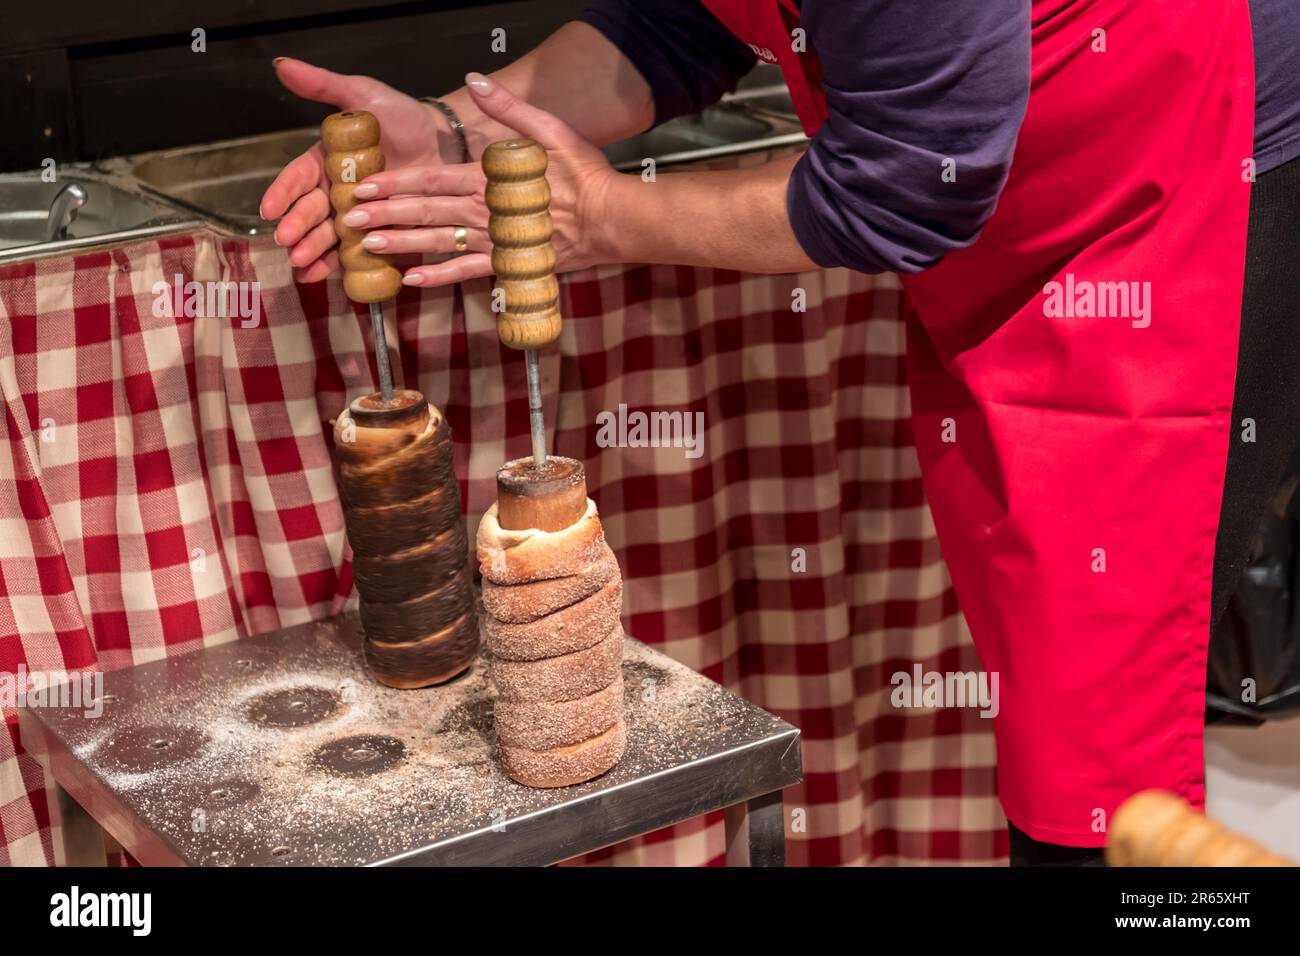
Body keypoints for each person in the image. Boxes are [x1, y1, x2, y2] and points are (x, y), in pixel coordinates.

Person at [261, 0, 1300, 866]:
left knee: (1112, 737)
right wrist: (460, 131)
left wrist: (608, 217)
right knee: (1067, 696)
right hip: (1014, 208)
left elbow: (903, 185)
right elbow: (687, 22)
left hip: (1172, 175)